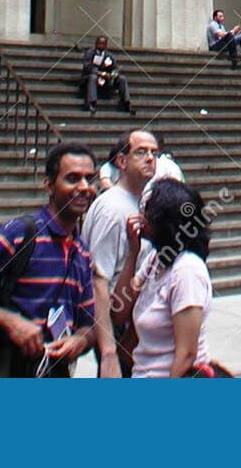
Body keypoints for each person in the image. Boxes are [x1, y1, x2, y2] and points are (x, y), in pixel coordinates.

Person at [0, 142, 116, 378]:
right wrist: (11, 322)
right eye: (72, 178)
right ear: (49, 185)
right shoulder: (19, 233)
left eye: (89, 179)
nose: (84, 187)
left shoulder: (81, 252)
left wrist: (79, 341)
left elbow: (87, 323)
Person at [109, 179, 214, 377]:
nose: (141, 217)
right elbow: (119, 312)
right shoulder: (154, 261)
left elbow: (186, 354)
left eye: (148, 211)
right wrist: (132, 252)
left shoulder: (187, 271)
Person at [82, 129, 157, 375]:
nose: (150, 158)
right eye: (141, 152)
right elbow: (98, 280)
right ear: (122, 161)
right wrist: (108, 351)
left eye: (154, 153)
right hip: (116, 324)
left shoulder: (139, 201)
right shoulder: (112, 209)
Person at [80, 35, 134, 114]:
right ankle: (91, 103)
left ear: (106, 45)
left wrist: (112, 75)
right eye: (99, 43)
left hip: (106, 80)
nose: (100, 45)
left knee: (122, 78)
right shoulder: (89, 53)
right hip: (91, 78)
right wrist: (100, 73)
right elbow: (87, 67)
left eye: (102, 44)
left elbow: (115, 68)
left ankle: (126, 103)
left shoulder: (110, 56)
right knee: (93, 77)